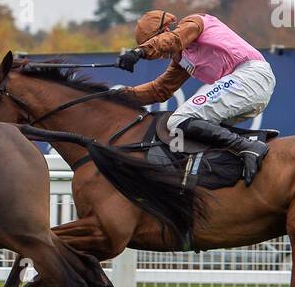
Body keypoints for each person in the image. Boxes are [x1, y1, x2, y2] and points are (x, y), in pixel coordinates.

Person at [117, 9, 275, 185]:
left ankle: (248, 146)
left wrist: (139, 52)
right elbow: (160, 90)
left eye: (154, 43)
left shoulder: (194, 22)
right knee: (199, 130)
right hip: (249, 83)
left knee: (179, 120)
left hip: (250, 75)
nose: (160, 56)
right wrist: (121, 96)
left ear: (165, 30)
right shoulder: (181, 59)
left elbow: (173, 40)